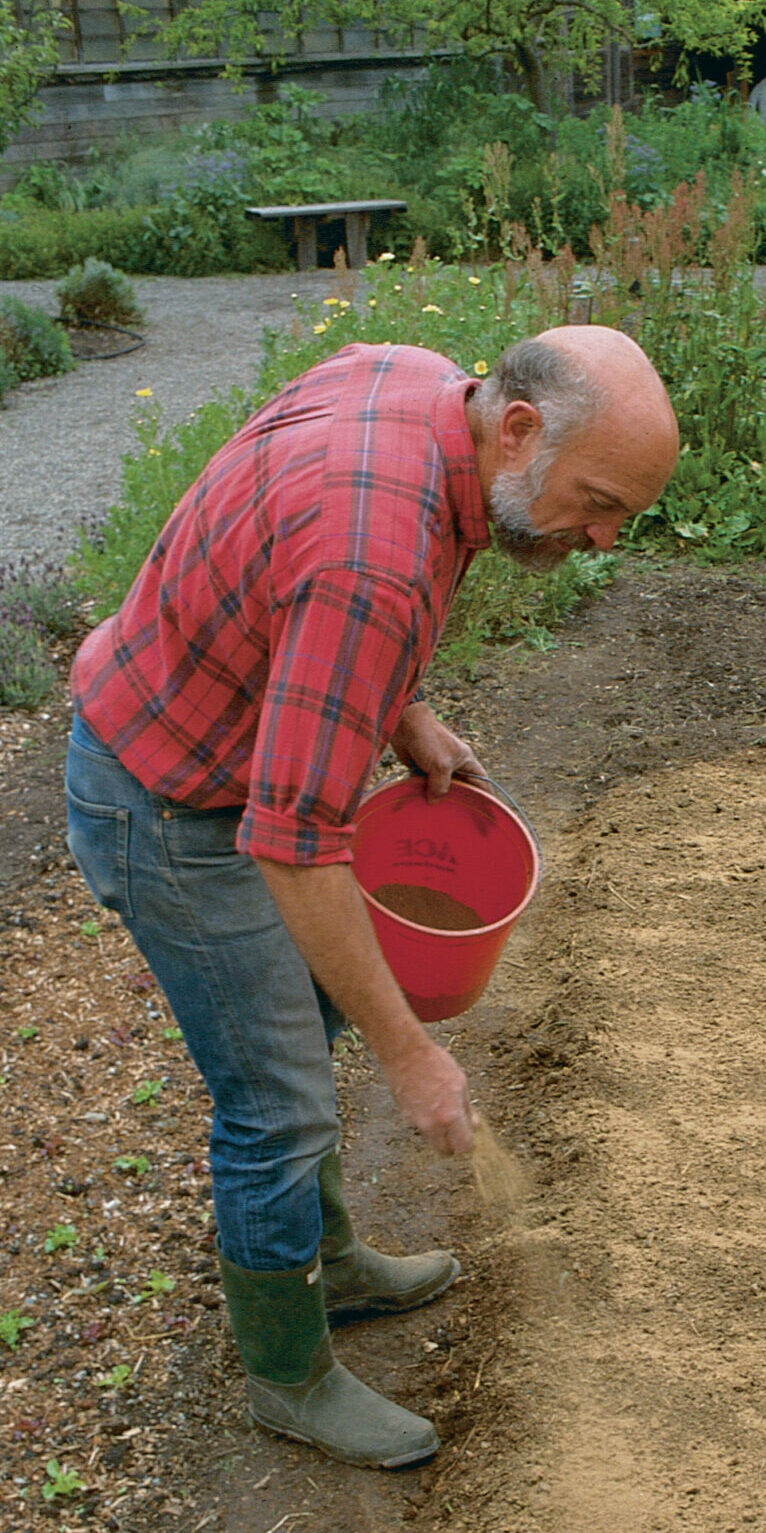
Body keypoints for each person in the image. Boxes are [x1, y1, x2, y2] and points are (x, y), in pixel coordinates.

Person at [66, 327, 679, 1473]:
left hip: (205, 738)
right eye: (598, 503)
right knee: (277, 1099)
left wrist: (399, 711)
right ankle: (286, 1377)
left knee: (312, 1025)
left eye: (622, 518)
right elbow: (293, 843)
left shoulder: (412, 382)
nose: (601, 537)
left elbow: (279, 574)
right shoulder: (375, 561)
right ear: (517, 430)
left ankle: (329, 1261)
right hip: (166, 801)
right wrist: (414, 1055)